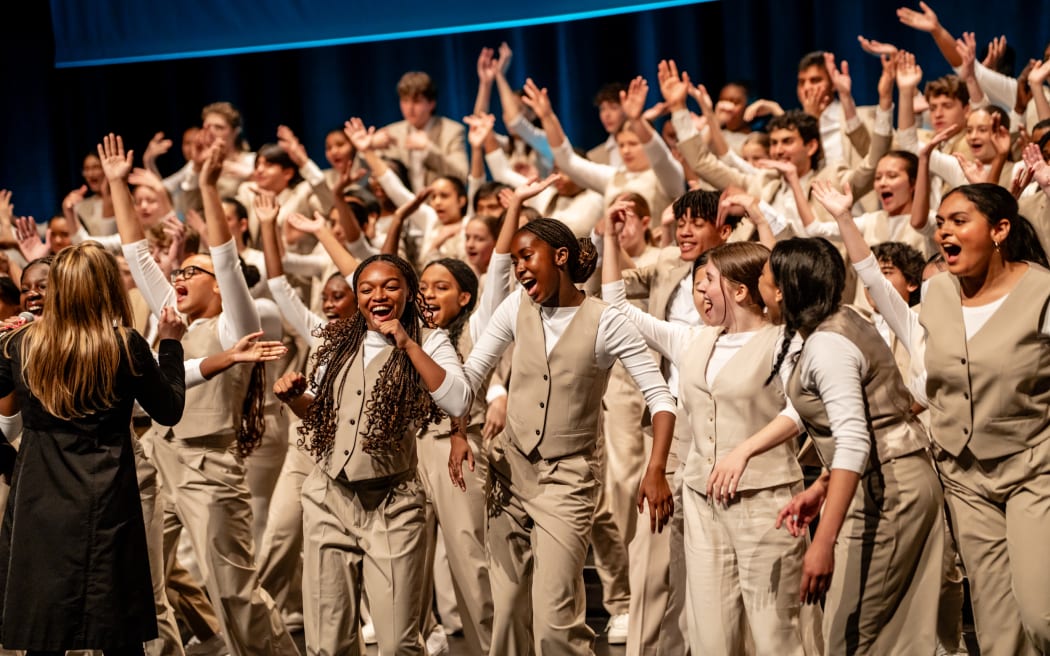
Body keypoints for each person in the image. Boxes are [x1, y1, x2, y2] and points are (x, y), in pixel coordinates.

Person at [103, 133, 300, 656]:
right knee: (146, 586)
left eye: (194, 272)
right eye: (180, 271)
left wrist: (209, 188)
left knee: (233, 592)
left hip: (208, 467)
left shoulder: (237, 326)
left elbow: (227, 263)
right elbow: (137, 255)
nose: (180, 276)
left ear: (217, 287)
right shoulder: (175, 322)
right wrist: (118, 185)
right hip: (156, 459)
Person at [839, 179, 1050, 656]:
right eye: (939, 224)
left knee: (1041, 612)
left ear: (999, 229)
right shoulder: (935, 294)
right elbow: (876, 284)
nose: (943, 233)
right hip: (964, 474)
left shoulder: (1042, 291)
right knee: (998, 626)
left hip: (1034, 469)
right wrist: (844, 219)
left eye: (958, 221)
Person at [454, 215, 677, 655]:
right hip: (507, 473)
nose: (518, 268)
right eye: (515, 259)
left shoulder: (607, 321)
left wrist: (656, 469)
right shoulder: (514, 307)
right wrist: (459, 430)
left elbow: (661, 396)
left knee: (556, 620)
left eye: (526, 256)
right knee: (510, 612)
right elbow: (471, 376)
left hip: (567, 479)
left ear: (559, 257)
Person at [603, 231, 821, 655]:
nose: (697, 290)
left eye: (707, 281)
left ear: (740, 290)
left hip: (766, 501)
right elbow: (618, 311)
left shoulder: (786, 342)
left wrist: (745, 450)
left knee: (774, 630)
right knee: (711, 632)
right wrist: (609, 237)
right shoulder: (694, 340)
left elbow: (802, 411)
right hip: (703, 502)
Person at [275, 252, 471, 655]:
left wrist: (408, 345)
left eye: (390, 286)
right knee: (328, 643)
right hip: (330, 498)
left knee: (398, 642)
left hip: (392, 505)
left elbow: (459, 401)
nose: (377, 295)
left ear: (409, 292)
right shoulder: (339, 342)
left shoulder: (431, 339)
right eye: (366, 289)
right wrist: (296, 399)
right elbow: (319, 414)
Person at [0, 241, 187, 655]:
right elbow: (169, 410)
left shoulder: (20, 344)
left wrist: (9, 461)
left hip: (38, 503)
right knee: (116, 633)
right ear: (106, 288)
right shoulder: (123, 344)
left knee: (42, 633)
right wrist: (171, 344)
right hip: (106, 504)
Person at [766, 233, 944, 654]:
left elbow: (853, 443)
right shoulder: (843, 319)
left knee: (852, 636)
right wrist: (821, 488)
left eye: (764, 277)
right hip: (893, 476)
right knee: (892, 639)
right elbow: (865, 422)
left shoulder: (828, 344)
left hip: (890, 488)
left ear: (782, 290)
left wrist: (822, 543)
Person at [375, 71, 469, 191]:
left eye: (416, 101)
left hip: (437, 204)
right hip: (403, 206)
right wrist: (369, 147)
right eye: (405, 101)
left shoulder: (452, 131)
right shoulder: (392, 132)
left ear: (431, 103)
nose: (409, 108)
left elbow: (462, 175)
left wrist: (428, 148)